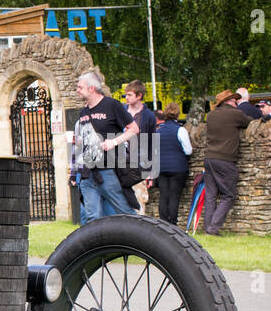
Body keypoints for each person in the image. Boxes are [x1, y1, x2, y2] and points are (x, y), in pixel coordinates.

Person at [71, 71, 139, 222]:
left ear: (91, 88)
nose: (77, 90)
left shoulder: (112, 105)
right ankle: (95, 245)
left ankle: (145, 237)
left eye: (80, 87)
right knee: (91, 217)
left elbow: (134, 129)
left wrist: (114, 142)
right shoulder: (83, 112)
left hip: (108, 171)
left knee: (124, 211)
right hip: (88, 174)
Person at [202, 90, 253, 235]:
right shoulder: (234, 114)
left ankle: (208, 228)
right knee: (228, 195)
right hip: (225, 158)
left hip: (209, 157)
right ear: (229, 101)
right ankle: (213, 228)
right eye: (234, 100)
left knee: (211, 195)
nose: (236, 103)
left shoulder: (211, 115)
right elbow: (249, 122)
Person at [154, 103, 192, 226]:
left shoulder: (159, 131)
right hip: (177, 167)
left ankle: (164, 224)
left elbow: (154, 151)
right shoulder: (180, 130)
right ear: (177, 114)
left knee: (164, 196)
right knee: (174, 196)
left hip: (162, 167)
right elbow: (188, 150)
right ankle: (173, 223)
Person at [123, 79, 158, 213]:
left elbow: (152, 143)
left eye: (130, 95)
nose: (126, 98)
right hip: (121, 161)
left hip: (140, 162)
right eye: (126, 95)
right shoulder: (122, 110)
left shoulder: (148, 116)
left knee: (139, 200)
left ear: (139, 96)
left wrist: (151, 171)